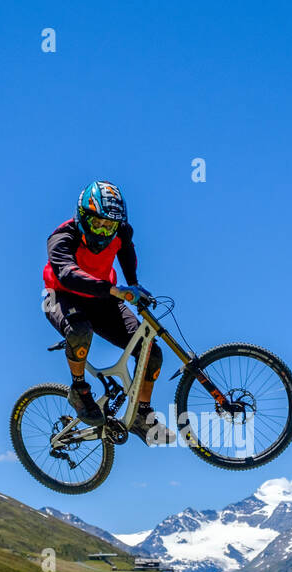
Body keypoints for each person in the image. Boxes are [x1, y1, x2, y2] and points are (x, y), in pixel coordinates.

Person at [42, 180, 173, 446]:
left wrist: (134, 284)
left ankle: (140, 416)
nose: (103, 232)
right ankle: (79, 390)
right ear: (82, 218)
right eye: (96, 224)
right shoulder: (62, 237)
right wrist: (115, 290)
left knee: (151, 351)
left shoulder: (121, 231)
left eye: (109, 226)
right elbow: (67, 276)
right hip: (60, 295)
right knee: (80, 331)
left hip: (103, 299)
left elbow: (126, 251)